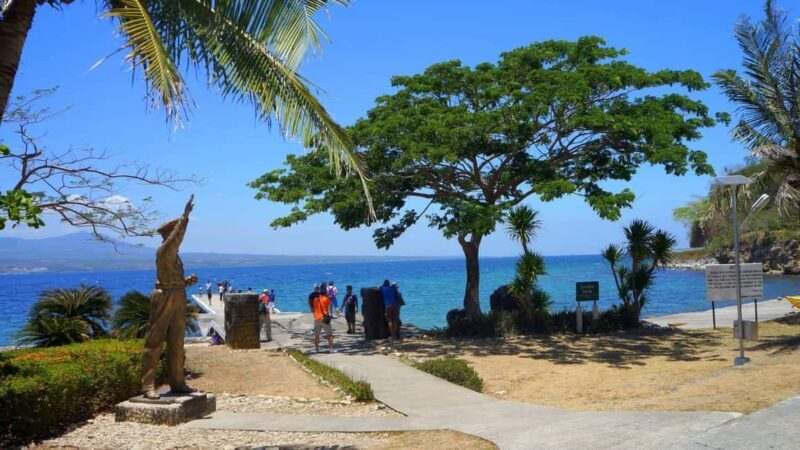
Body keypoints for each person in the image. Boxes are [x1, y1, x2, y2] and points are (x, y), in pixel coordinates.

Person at [141, 195, 197, 400]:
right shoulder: (165, 249)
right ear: (169, 233)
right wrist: (185, 216)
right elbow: (177, 237)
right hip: (163, 296)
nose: (177, 238)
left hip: (177, 294)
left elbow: (172, 276)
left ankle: (177, 382)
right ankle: (148, 385)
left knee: (177, 341)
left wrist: (185, 282)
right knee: (154, 342)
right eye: (174, 232)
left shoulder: (174, 256)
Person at [308, 283, 334, 353]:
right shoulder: (326, 298)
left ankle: (317, 349)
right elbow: (331, 305)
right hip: (325, 318)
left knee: (317, 335)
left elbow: (310, 304)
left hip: (317, 318)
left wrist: (312, 310)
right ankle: (331, 349)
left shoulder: (315, 299)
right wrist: (331, 313)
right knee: (329, 335)